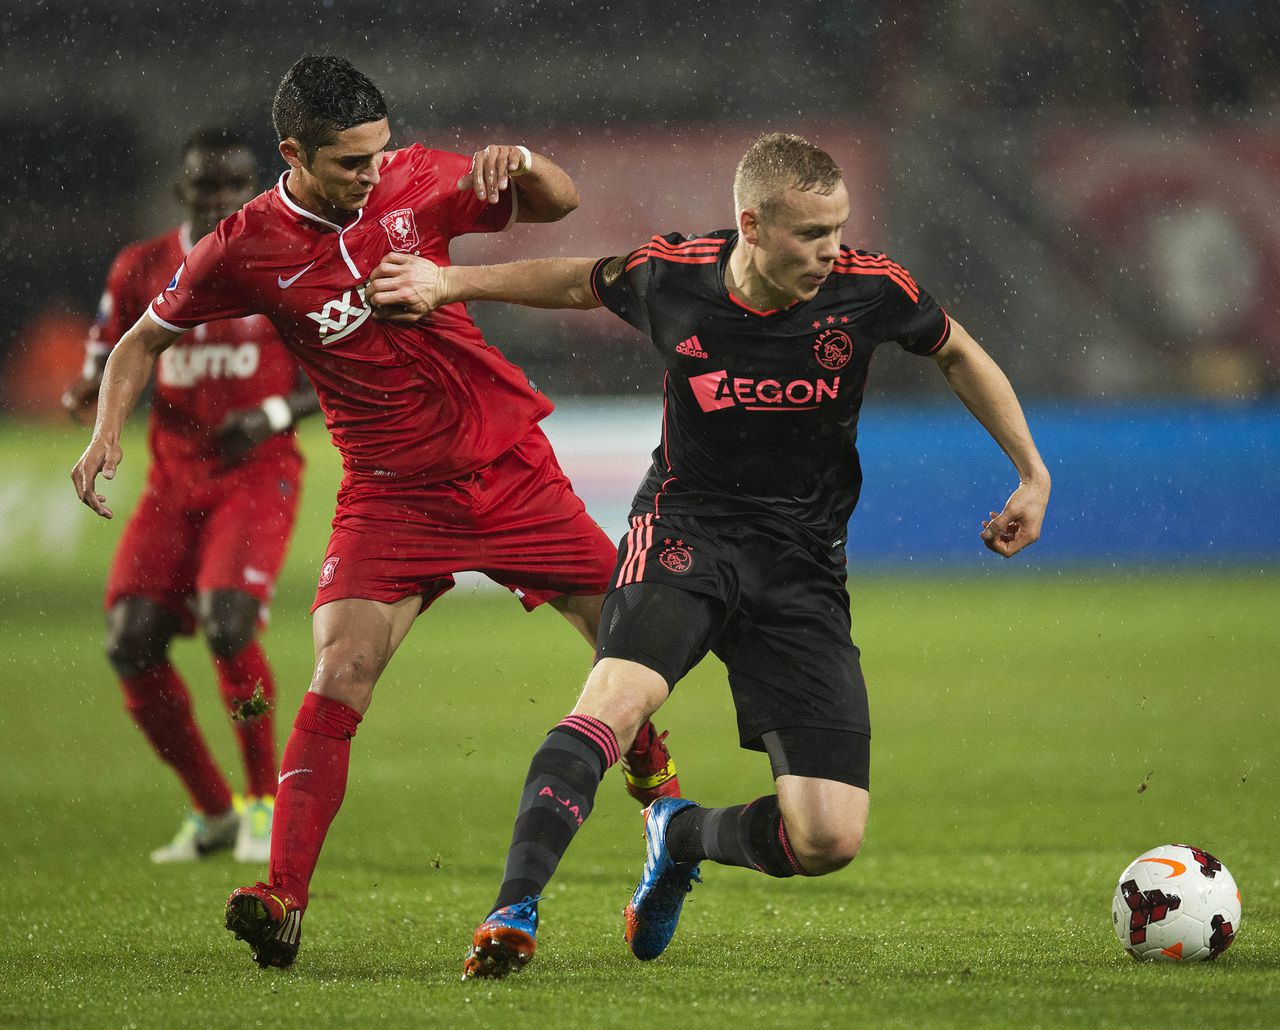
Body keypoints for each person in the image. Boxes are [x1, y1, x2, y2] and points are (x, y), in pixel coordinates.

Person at [363, 131, 1052, 979]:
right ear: (752, 226)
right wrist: (445, 282)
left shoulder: (871, 291)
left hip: (803, 563)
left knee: (829, 839)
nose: (829, 252)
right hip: (687, 531)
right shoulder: (674, 276)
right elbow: (577, 281)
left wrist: (1031, 470)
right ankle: (513, 908)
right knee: (612, 705)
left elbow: (954, 348)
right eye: (810, 235)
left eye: (838, 230)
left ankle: (677, 834)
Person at [70, 55, 680, 969]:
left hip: (507, 471)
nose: (372, 173)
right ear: (294, 154)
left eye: (378, 154)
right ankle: (281, 898)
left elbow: (560, 203)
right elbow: (142, 337)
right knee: (341, 669)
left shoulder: (417, 178)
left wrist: (524, 162)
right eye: (350, 162)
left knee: (622, 642)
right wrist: (107, 430)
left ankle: (661, 803)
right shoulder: (243, 245)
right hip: (389, 498)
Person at [62, 128, 321, 865]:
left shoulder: (280, 261)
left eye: (234, 186)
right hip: (171, 482)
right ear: (182, 190)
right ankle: (214, 815)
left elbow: (326, 377)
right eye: (205, 186)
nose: (219, 199)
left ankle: (265, 804)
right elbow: (113, 359)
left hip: (256, 473)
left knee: (226, 623)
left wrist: (270, 414)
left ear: (255, 188)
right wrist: (89, 398)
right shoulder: (140, 268)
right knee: (129, 642)